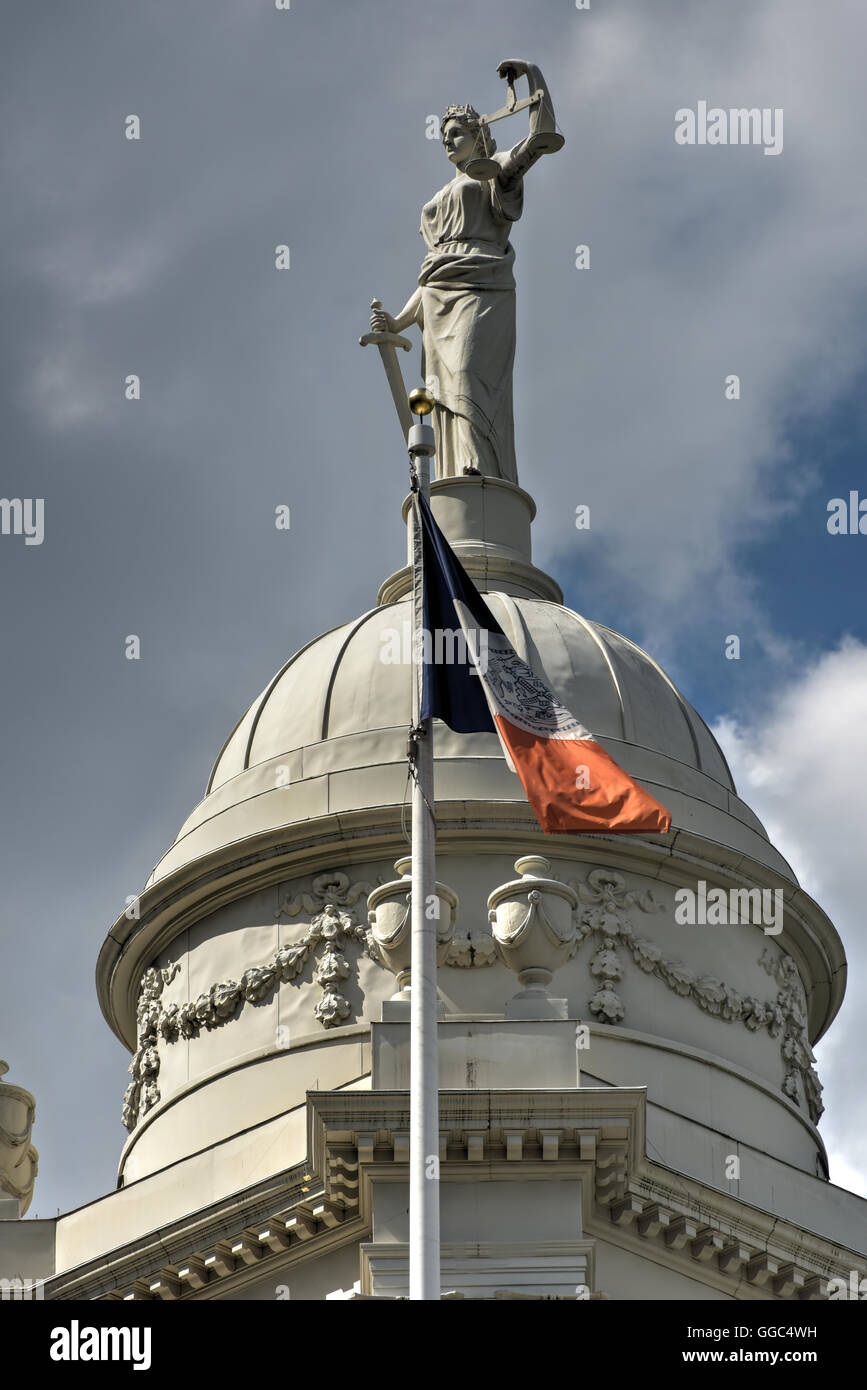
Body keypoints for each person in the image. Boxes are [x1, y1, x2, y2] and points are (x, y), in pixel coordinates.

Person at [371, 61, 563, 484]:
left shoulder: (493, 172)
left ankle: (485, 471)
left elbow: (540, 138)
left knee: (469, 377)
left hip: (483, 288)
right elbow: (432, 276)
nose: (447, 141)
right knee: (441, 393)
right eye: (442, 137)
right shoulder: (440, 197)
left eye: (455, 133)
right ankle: (455, 472)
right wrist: (399, 322)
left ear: (478, 136)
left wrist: (532, 75)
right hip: (438, 300)